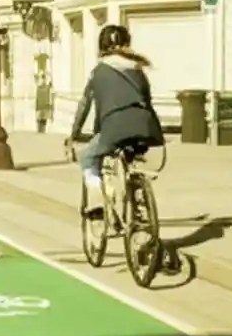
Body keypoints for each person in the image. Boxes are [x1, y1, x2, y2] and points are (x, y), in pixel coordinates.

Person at [66, 24, 164, 214]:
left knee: (88, 157)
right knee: (130, 159)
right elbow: (147, 100)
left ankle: (96, 203)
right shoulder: (138, 69)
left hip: (114, 128)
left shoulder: (99, 72)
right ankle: (138, 207)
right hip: (146, 127)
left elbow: (85, 106)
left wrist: (74, 135)